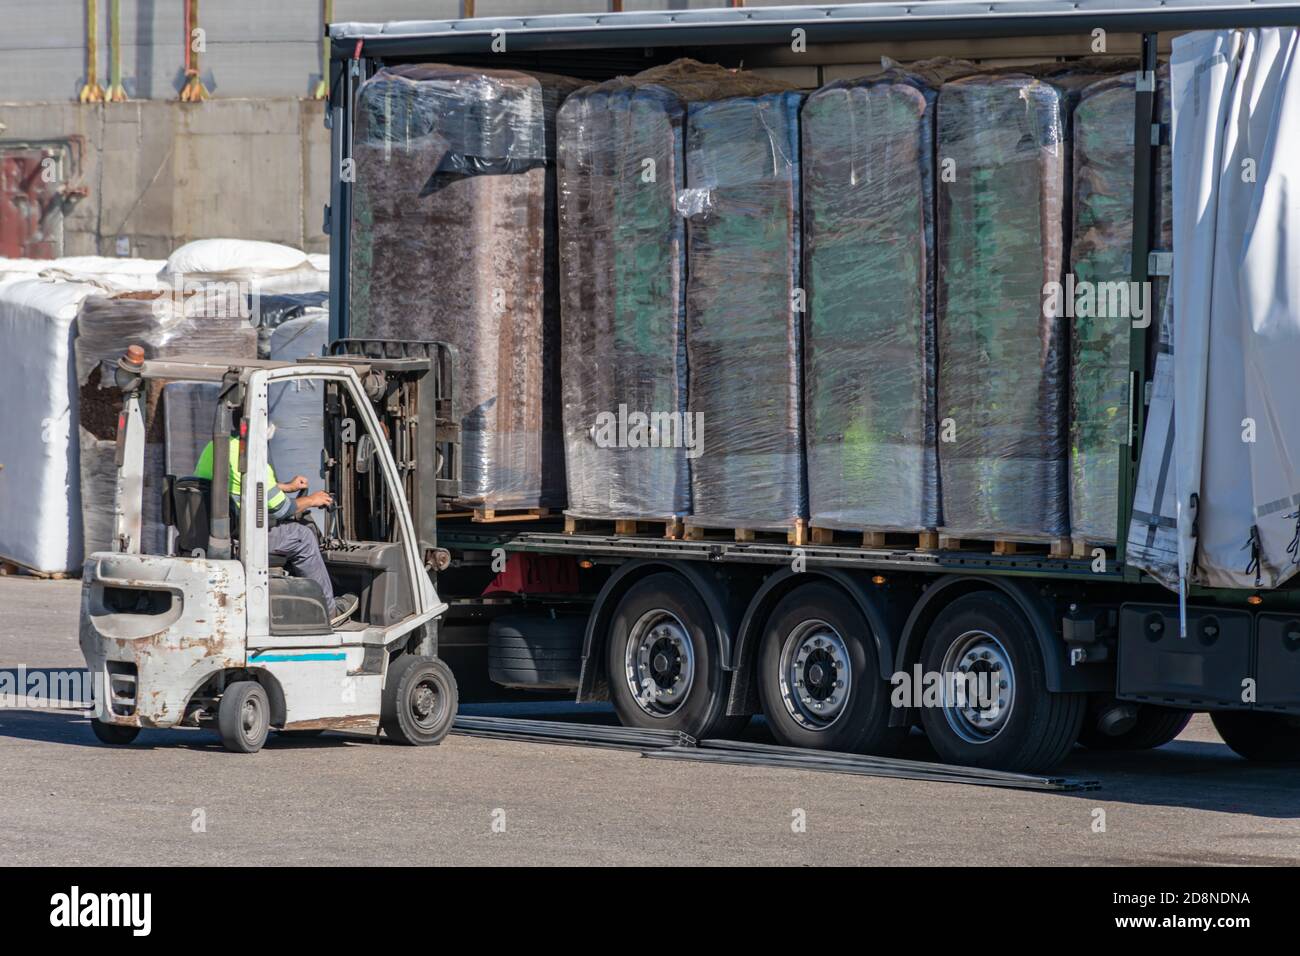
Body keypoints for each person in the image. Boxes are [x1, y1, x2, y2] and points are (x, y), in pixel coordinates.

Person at [193, 433, 359, 628]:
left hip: (213, 533)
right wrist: (312, 500)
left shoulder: (216, 446)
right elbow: (282, 509)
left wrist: (286, 487)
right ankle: (328, 611)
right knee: (302, 536)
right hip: (240, 538)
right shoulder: (251, 455)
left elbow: (241, 484)